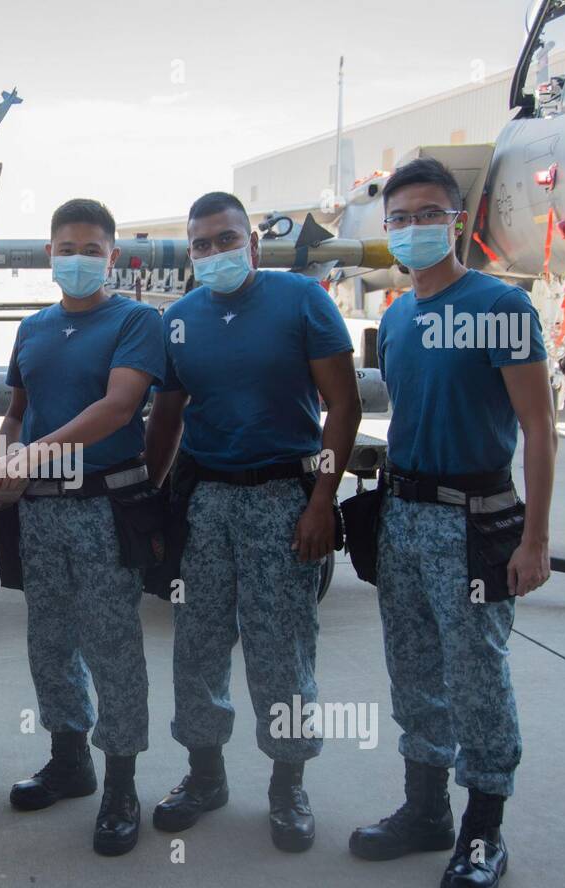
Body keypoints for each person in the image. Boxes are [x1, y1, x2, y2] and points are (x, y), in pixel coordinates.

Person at [345, 157, 554, 888]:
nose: (411, 229)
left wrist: (534, 538)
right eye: (399, 219)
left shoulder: (501, 307)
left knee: (477, 677)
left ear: (457, 220)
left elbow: (539, 428)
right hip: (403, 517)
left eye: (427, 215)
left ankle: (484, 827)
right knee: (413, 670)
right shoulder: (397, 316)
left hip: (475, 521)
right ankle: (427, 808)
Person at [144, 191, 361, 851]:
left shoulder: (301, 301)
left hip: (281, 497)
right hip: (205, 501)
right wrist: (150, 503)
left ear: (253, 243)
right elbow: (168, 416)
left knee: (281, 649)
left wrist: (322, 499)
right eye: (201, 244)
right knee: (197, 645)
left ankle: (287, 784)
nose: (214, 252)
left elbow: (343, 406)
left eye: (225, 238)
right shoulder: (178, 320)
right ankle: (204, 776)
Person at [0, 198, 165, 856]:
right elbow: (16, 412)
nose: (79, 259)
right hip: (39, 510)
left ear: (112, 256)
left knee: (112, 646)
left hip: (102, 505)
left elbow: (119, 408)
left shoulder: (136, 321)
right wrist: (6, 455)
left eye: (93, 249)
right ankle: (70, 760)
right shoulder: (31, 328)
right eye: (68, 247)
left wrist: (33, 454)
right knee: (49, 641)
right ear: (49, 255)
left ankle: (121, 781)